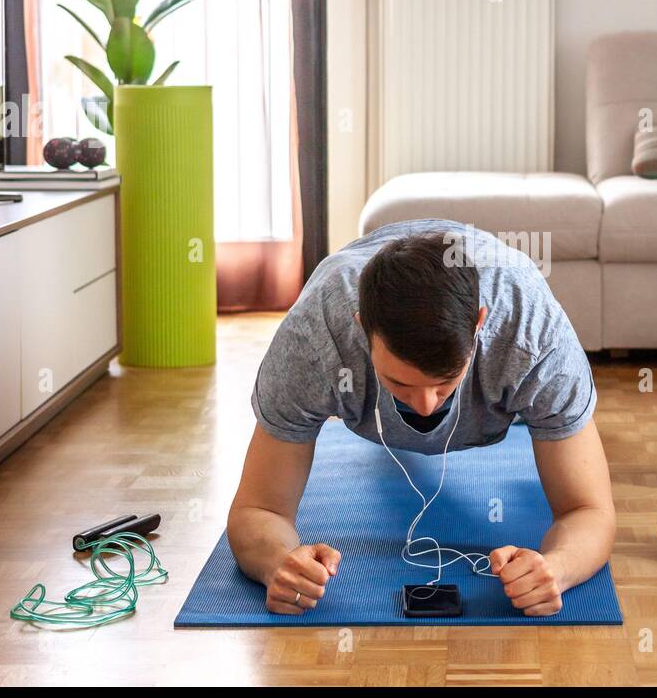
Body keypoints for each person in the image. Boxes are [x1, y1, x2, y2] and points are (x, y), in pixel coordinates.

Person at [227, 219, 615, 617]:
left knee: (537, 401)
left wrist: (556, 568)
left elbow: (588, 510)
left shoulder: (532, 336)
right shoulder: (315, 338)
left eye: (444, 383)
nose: (425, 406)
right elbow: (259, 509)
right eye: (401, 383)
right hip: (347, 339)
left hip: (505, 375)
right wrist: (278, 563)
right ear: (362, 330)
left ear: (479, 324)